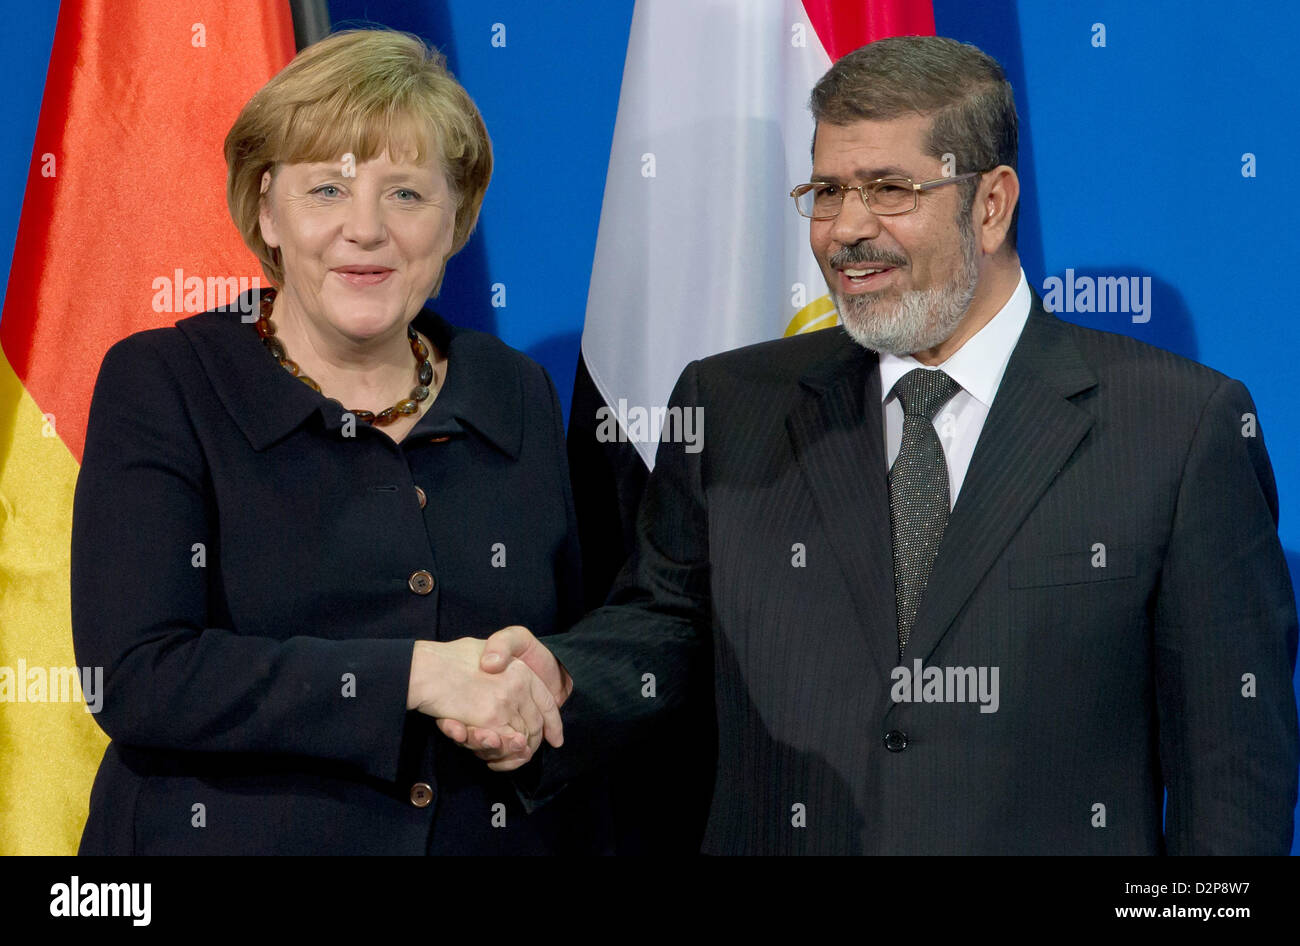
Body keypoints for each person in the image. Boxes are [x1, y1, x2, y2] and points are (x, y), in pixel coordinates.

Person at [444, 35, 1299, 854]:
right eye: (826, 192)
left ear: (991, 204)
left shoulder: (1178, 428)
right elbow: (667, 629)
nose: (845, 229)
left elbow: (1233, 773)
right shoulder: (731, 404)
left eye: (890, 189)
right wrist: (565, 682)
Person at [71, 29, 605, 855]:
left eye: (406, 194)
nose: (366, 229)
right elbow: (137, 676)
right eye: (327, 190)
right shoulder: (168, 382)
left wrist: (536, 697)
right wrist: (417, 676)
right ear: (266, 210)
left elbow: (567, 639)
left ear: (456, 218)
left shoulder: (515, 391)